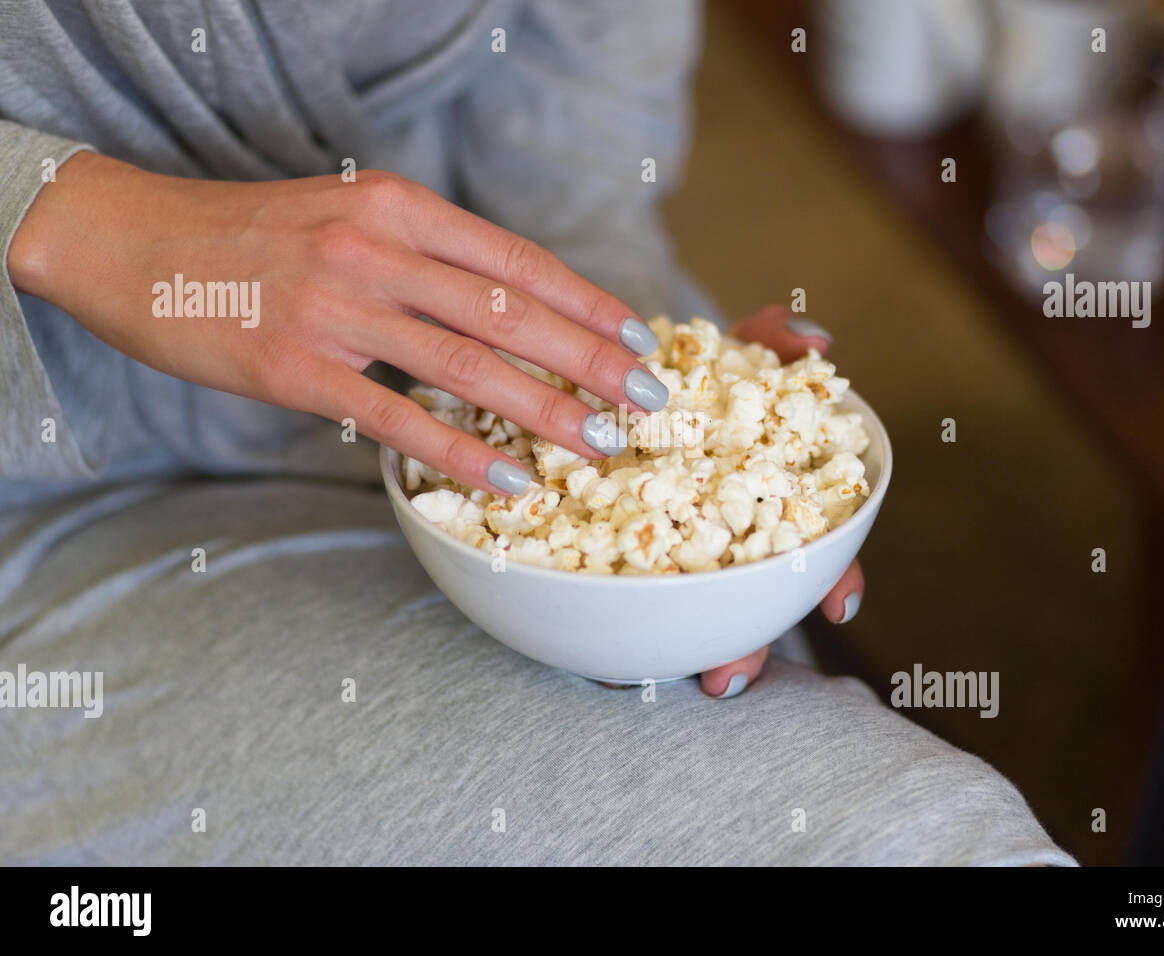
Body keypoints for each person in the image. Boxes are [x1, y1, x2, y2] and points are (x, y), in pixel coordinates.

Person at [0, 0, 1072, 865]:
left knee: (927, 827)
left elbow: (570, 175)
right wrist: (65, 217)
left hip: (473, 455)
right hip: (58, 503)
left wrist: (655, 380)